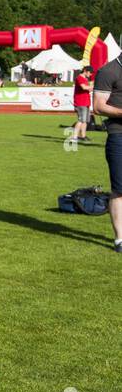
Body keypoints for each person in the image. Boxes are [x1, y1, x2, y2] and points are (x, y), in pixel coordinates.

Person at [92, 53, 122, 252]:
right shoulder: (108, 71)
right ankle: (120, 239)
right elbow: (98, 106)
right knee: (120, 189)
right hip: (119, 135)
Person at [73, 66, 94, 143]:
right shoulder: (80, 78)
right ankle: (74, 137)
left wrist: (91, 86)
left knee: (85, 121)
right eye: (90, 72)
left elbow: (88, 88)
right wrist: (93, 86)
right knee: (81, 120)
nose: (91, 74)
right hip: (80, 102)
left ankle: (83, 136)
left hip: (86, 102)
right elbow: (84, 87)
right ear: (85, 71)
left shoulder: (85, 79)